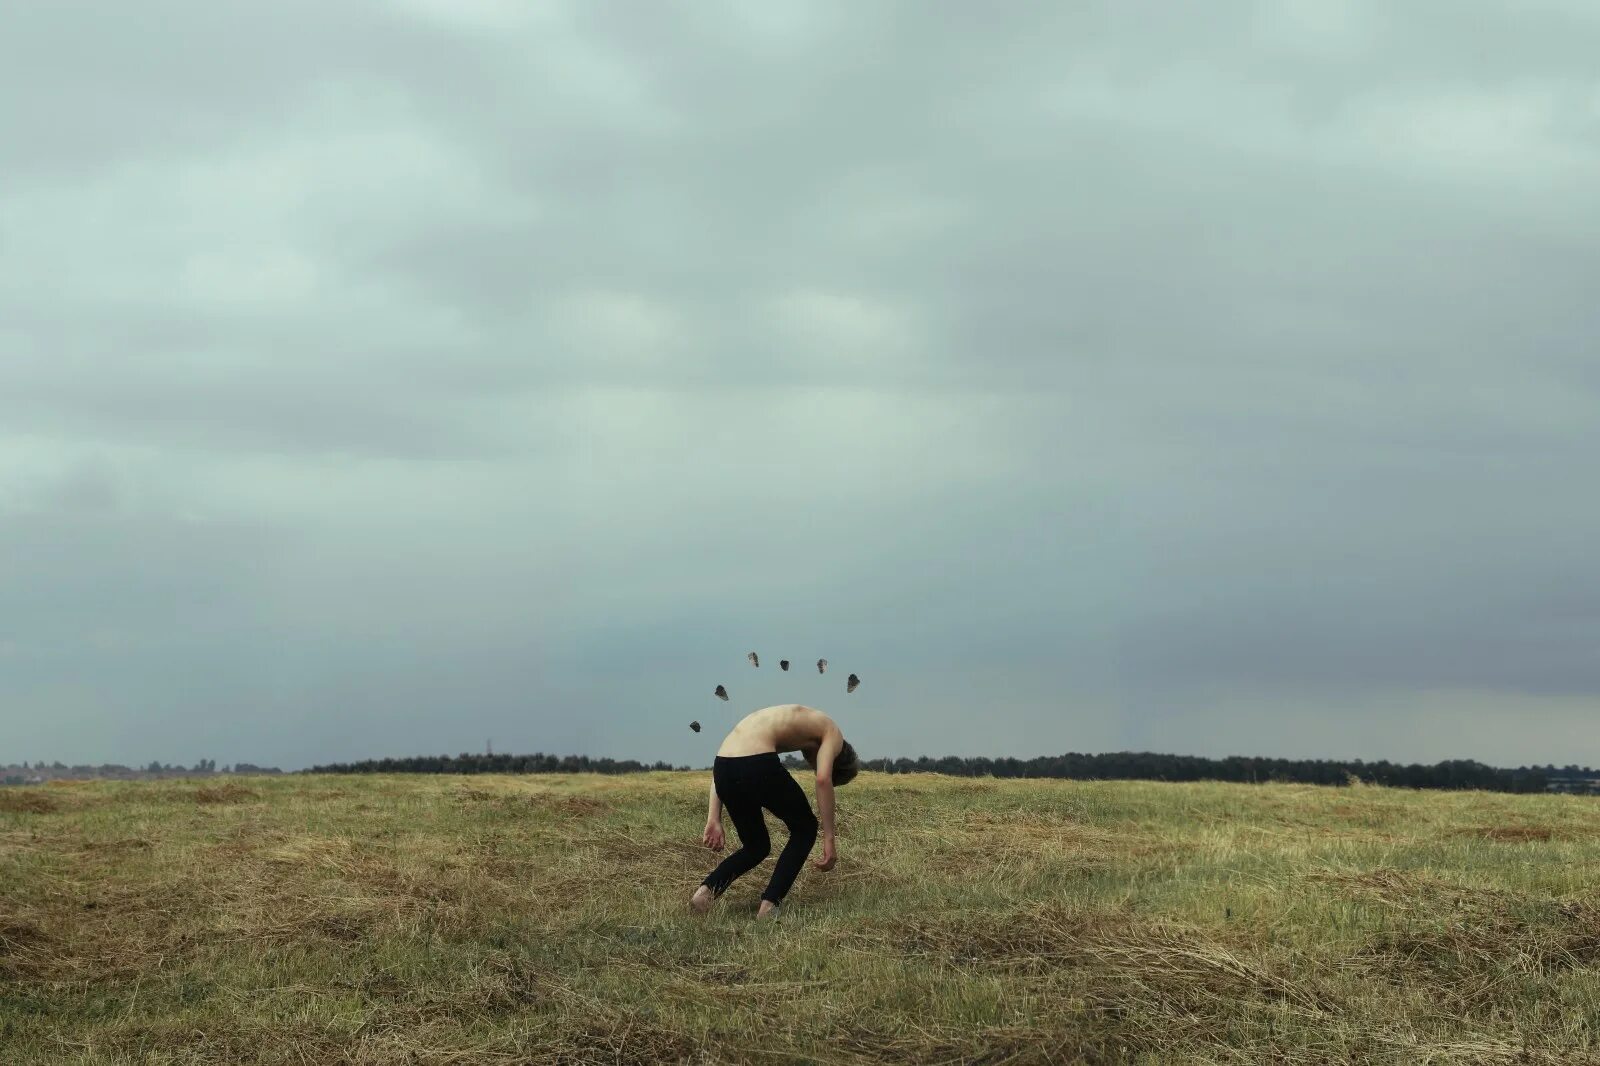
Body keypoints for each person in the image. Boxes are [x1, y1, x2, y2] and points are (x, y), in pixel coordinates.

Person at [690, 704, 859, 918]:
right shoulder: (833, 732)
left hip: (722, 767)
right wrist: (829, 839)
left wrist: (714, 817)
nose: (811, 763)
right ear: (837, 759)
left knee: (756, 846)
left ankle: (705, 893)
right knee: (805, 828)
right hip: (755, 763)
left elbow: (730, 761)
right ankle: (770, 906)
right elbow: (824, 779)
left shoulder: (790, 721)